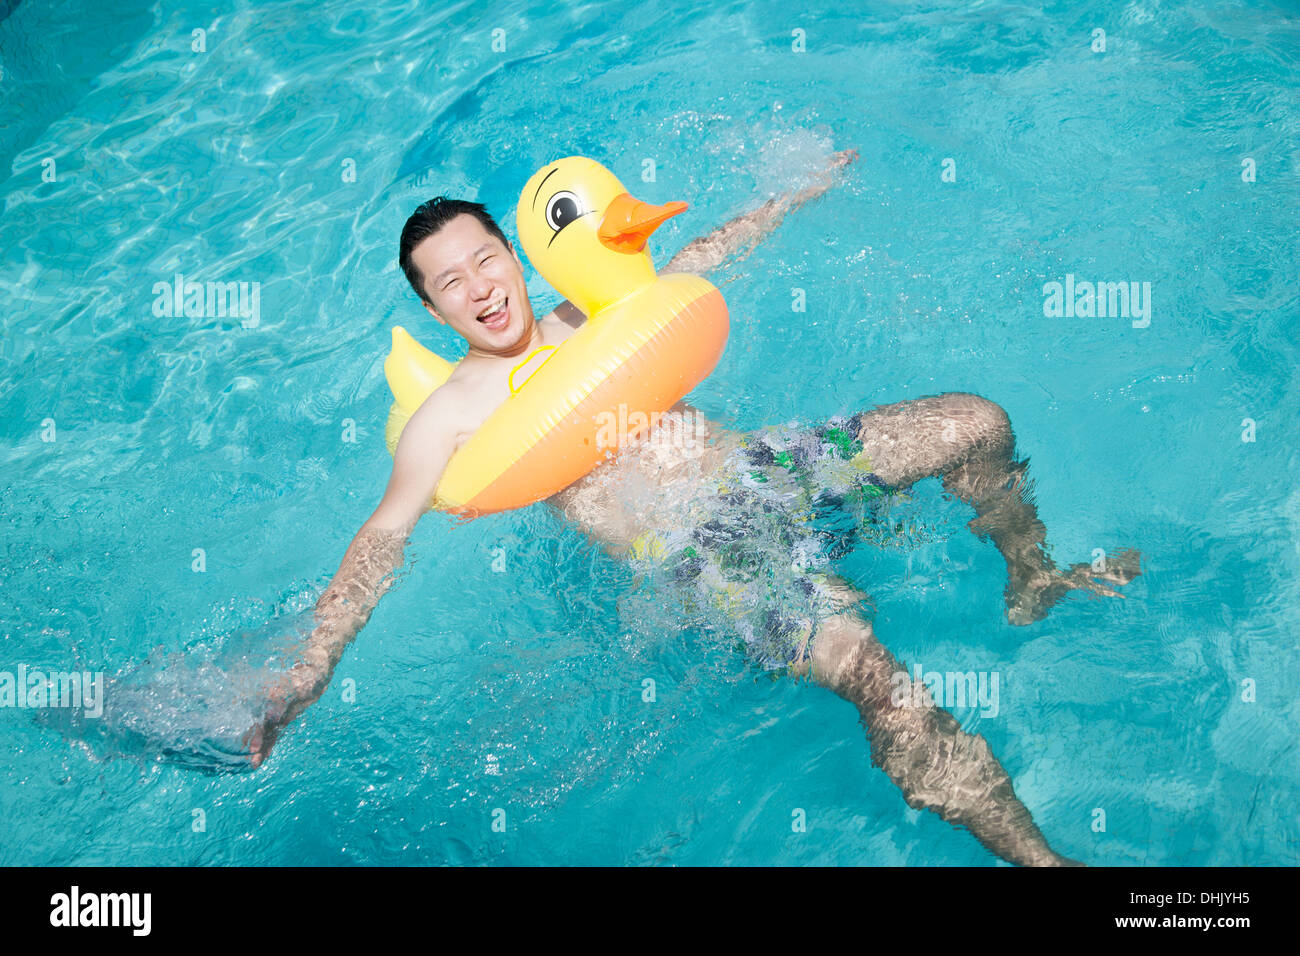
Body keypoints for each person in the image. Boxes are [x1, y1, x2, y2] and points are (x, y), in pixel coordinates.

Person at [244, 150, 1140, 866]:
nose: (480, 288)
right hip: (708, 554)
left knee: (975, 424)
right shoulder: (452, 418)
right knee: (879, 678)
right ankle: (1044, 864)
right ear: (434, 309)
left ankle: (1034, 573)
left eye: (486, 259)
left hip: (769, 470)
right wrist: (312, 668)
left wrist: (790, 194)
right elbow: (385, 533)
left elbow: (696, 258)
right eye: (450, 283)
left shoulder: (589, 310)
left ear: (513, 256)